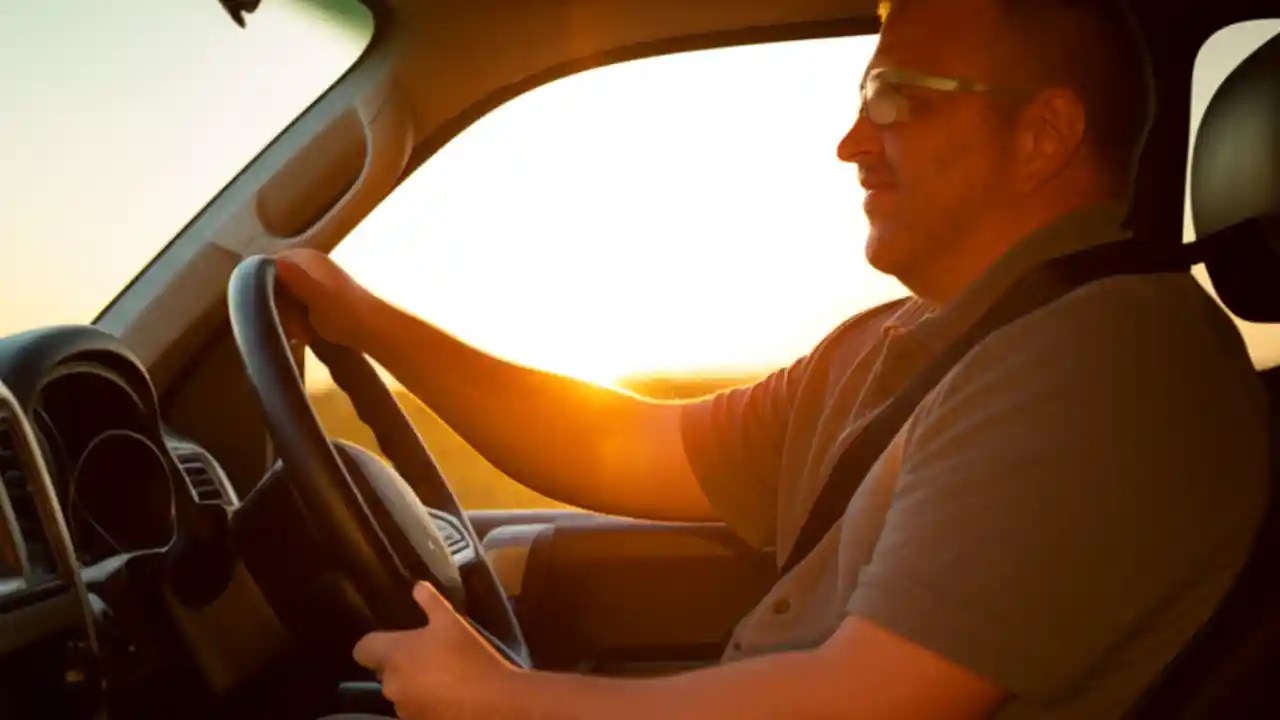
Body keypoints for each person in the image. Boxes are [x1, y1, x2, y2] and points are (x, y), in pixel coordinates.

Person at [278, 0, 1270, 717]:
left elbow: (868, 701)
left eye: (894, 97)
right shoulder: (895, 345)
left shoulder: (1105, 362)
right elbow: (631, 443)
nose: (850, 141)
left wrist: (508, 703)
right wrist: (370, 323)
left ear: (1042, 134)